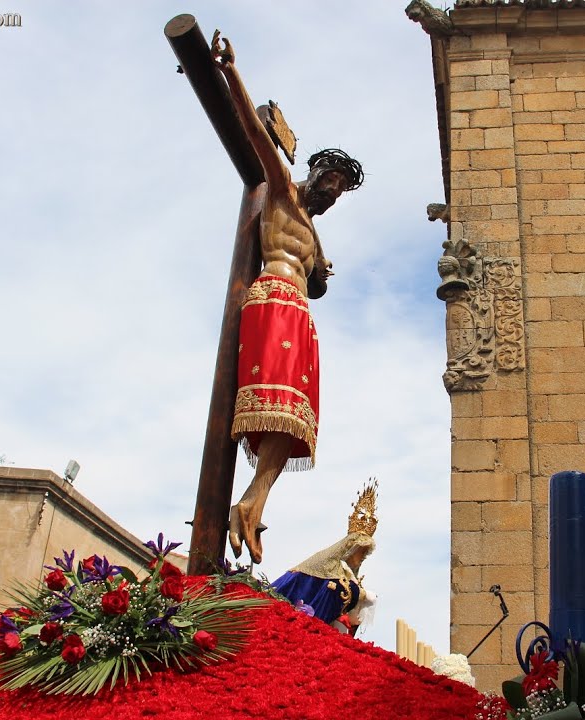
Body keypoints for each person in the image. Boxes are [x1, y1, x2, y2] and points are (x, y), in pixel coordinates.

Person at [212, 32, 366, 565]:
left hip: (299, 313)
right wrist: (232, 73)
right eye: (330, 181)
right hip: (273, 299)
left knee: (293, 416)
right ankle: (241, 505)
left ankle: (254, 501)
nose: (332, 192)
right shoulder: (281, 190)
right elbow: (257, 133)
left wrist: (321, 275)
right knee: (272, 404)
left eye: (340, 190)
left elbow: (318, 286)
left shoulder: (316, 236)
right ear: (314, 174)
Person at [270, 481, 378, 635]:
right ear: (350, 546)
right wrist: (364, 595)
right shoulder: (329, 566)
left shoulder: (347, 573)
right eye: (361, 550)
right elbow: (342, 591)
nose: (361, 557)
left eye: (365, 552)